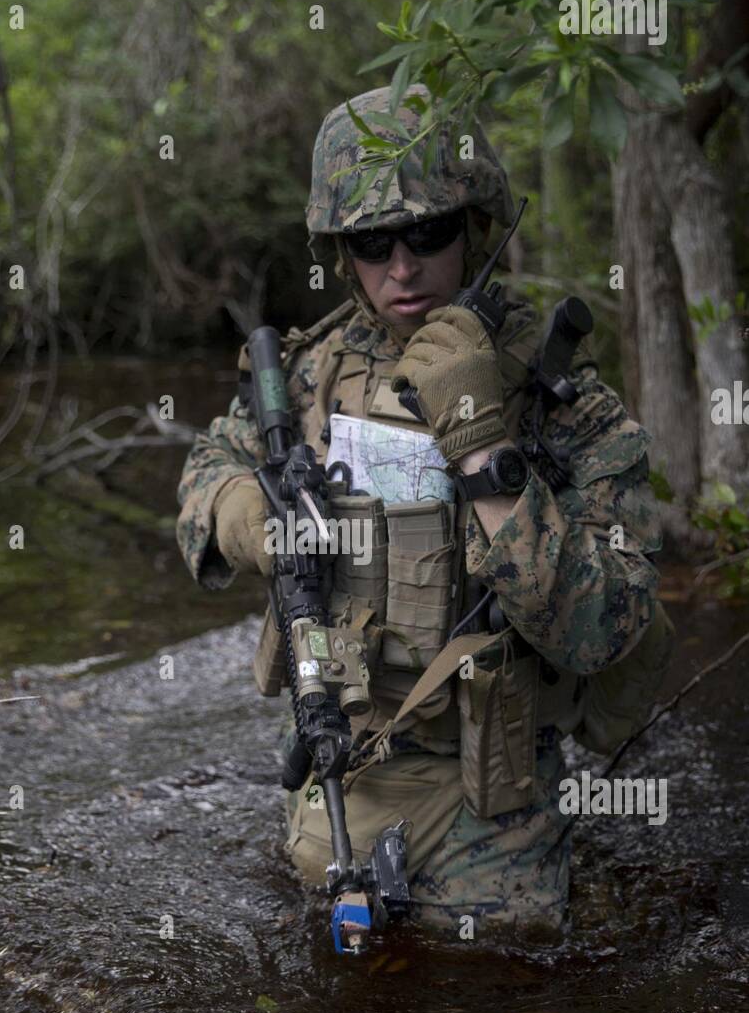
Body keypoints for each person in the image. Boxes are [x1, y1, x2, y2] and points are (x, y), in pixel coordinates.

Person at [176, 84, 665, 939]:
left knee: (497, 1006)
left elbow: (603, 630)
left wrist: (484, 452)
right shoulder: (312, 374)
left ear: (476, 226)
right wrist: (249, 511)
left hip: (496, 794)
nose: (400, 267)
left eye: (427, 233)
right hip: (342, 770)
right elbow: (203, 474)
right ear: (342, 248)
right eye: (371, 242)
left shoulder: (557, 398)